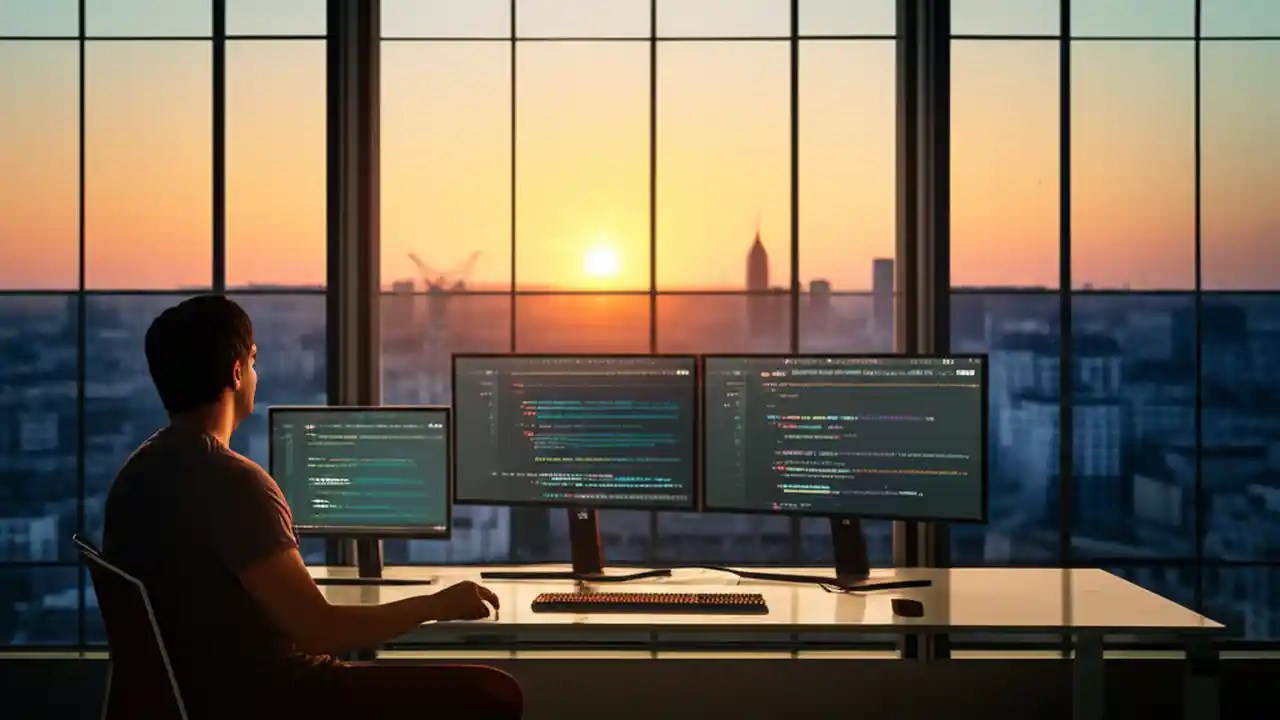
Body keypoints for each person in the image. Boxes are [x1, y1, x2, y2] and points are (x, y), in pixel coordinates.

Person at [102, 295, 521, 719]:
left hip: (201, 697)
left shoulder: (137, 472)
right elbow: (319, 631)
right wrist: (436, 605)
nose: (256, 374)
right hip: (281, 698)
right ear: (236, 373)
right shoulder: (233, 482)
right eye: (253, 360)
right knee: (494, 693)